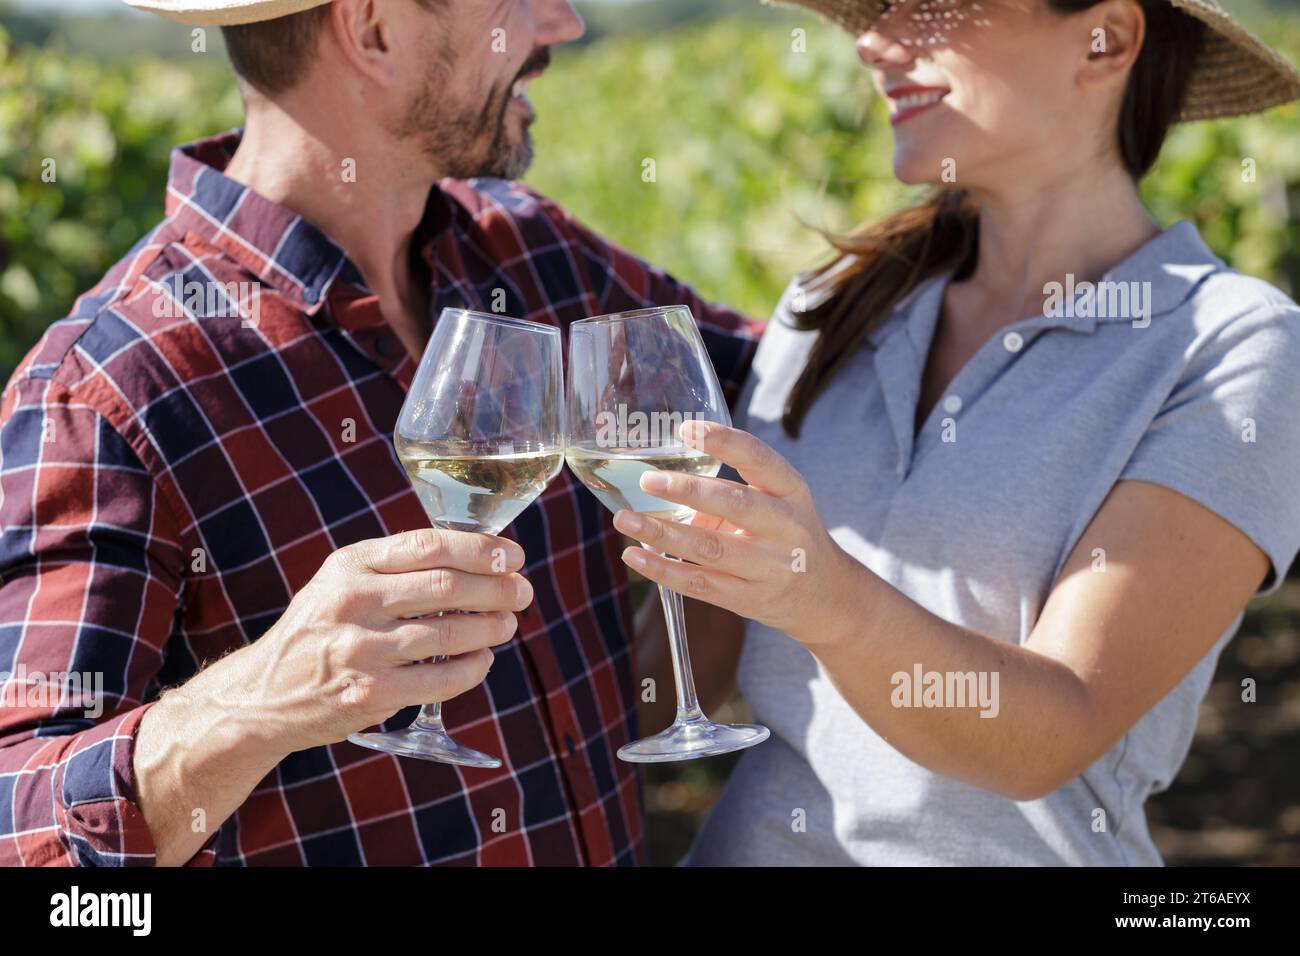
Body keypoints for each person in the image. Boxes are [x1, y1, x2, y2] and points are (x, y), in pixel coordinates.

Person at [0, 0, 759, 866]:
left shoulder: (532, 252)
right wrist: (262, 697)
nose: (563, 23)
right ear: (373, 30)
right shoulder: (110, 388)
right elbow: (22, 831)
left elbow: (793, 383)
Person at [614, 0, 1300, 865]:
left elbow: (1052, 734)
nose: (872, 41)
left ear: (1108, 39)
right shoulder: (834, 304)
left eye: (931, 4)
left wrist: (823, 593)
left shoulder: (1231, 347)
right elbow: (686, 664)